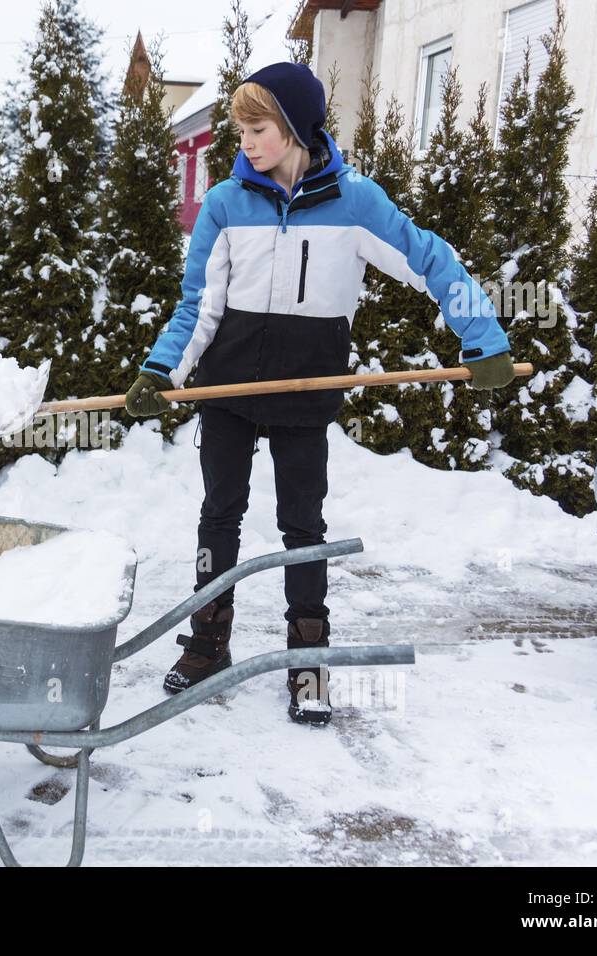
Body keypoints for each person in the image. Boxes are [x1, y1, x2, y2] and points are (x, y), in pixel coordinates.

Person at [124, 62, 514, 725]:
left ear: (297, 127)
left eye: (259, 127)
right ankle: (208, 640)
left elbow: (429, 259)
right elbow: (197, 308)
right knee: (220, 512)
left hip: (306, 395)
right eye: (240, 128)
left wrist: (482, 337)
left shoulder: (354, 202)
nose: (245, 141)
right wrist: (163, 371)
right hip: (227, 389)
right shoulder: (224, 205)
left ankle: (308, 655)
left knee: (302, 525)